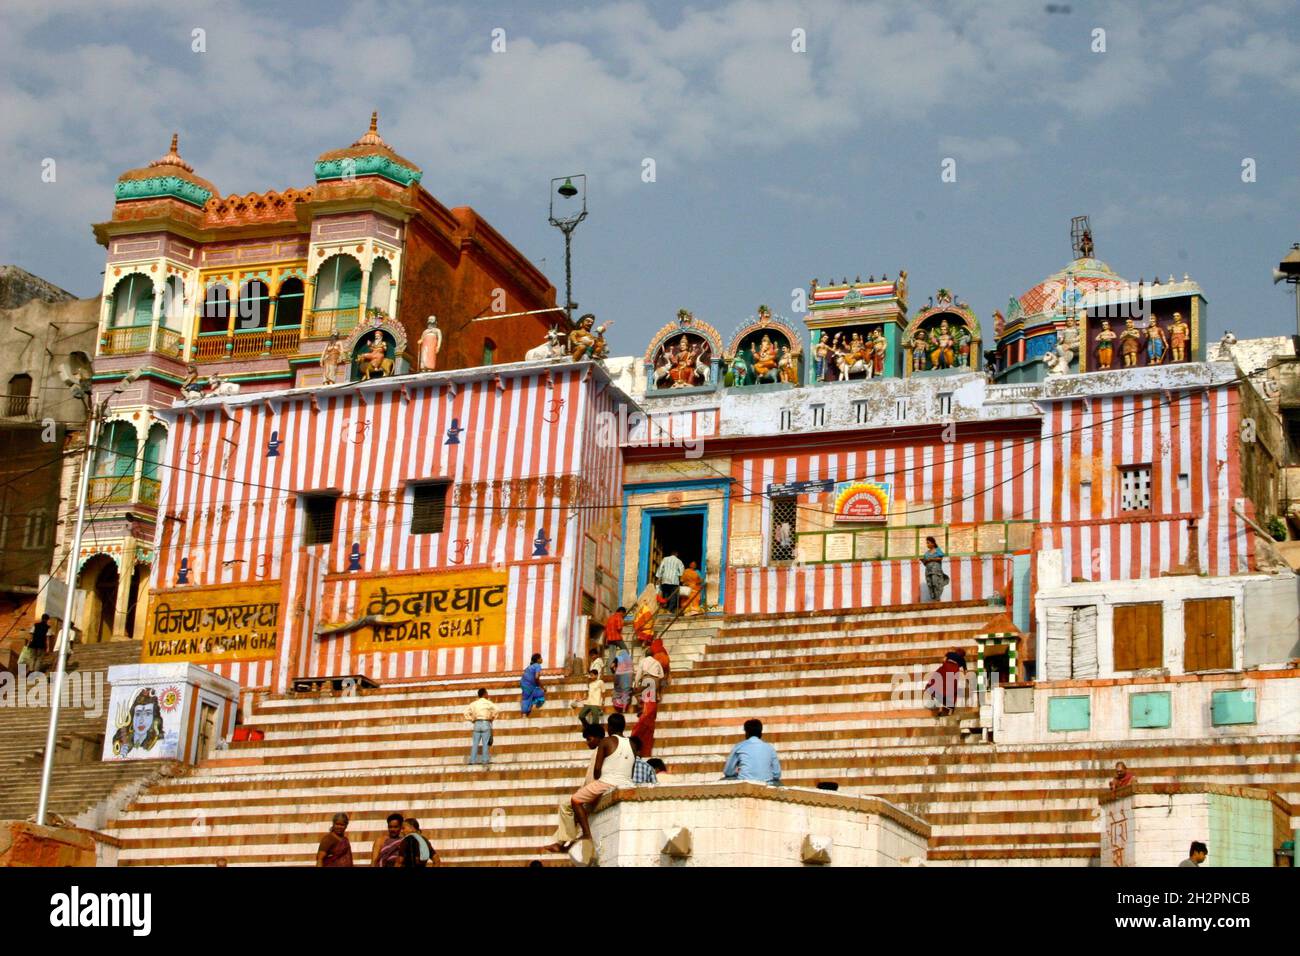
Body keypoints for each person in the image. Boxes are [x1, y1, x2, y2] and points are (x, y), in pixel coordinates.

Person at [542, 714, 636, 854]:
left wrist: (600, 780)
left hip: (607, 782)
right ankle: (563, 844)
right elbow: (632, 769)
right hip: (627, 782)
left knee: (575, 801)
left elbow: (597, 771)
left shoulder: (606, 742)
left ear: (609, 727)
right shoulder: (632, 744)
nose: (587, 742)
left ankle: (586, 835)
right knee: (574, 808)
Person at [723, 719, 781, 785]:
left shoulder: (739, 747)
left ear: (746, 733)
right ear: (761, 733)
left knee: (725, 780)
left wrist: (738, 772)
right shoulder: (770, 748)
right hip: (766, 784)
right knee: (778, 783)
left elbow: (728, 772)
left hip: (745, 783)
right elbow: (777, 774)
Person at [924, 648, 968, 717]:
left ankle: (940, 709)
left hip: (945, 668)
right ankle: (950, 712)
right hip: (954, 671)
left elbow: (943, 660)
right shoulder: (962, 660)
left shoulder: (950, 653)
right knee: (951, 691)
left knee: (940, 687)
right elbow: (965, 671)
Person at [464, 688, 498, 765]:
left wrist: (471, 719)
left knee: (475, 743)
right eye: (487, 693)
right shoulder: (488, 703)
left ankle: (472, 760)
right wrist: (492, 717)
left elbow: (465, 712)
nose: (488, 695)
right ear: (485, 694)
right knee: (485, 743)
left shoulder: (474, 703)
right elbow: (497, 710)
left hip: (476, 723)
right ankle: (485, 760)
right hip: (485, 723)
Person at [921, 536, 948, 601]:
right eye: (927, 543)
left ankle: (937, 597)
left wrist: (931, 559)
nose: (927, 544)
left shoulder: (937, 550)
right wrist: (924, 561)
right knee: (930, 584)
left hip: (936, 570)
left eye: (928, 543)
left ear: (933, 543)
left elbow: (940, 558)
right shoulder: (927, 553)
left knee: (935, 582)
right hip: (928, 570)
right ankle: (933, 598)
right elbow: (925, 563)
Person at [602, 605, 627, 671]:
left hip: (609, 639)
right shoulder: (619, 616)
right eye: (624, 614)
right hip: (617, 638)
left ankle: (609, 672)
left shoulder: (610, 618)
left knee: (611, 655)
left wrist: (605, 641)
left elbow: (606, 630)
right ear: (622, 612)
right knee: (626, 651)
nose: (624, 616)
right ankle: (616, 662)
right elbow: (619, 628)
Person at [520, 653, 545, 717]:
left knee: (526, 697)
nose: (542, 659)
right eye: (540, 658)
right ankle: (534, 706)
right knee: (540, 692)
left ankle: (524, 714)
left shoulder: (529, 667)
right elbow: (536, 677)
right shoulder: (537, 665)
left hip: (524, 684)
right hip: (529, 685)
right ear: (537, 660)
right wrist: (542, 687)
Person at [611, 645, 634, 713]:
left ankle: (617, 707)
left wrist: (614, 671)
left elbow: (611, 666)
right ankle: (624, 709)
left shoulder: (618, 659)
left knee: (616, 692)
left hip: (619, 680)